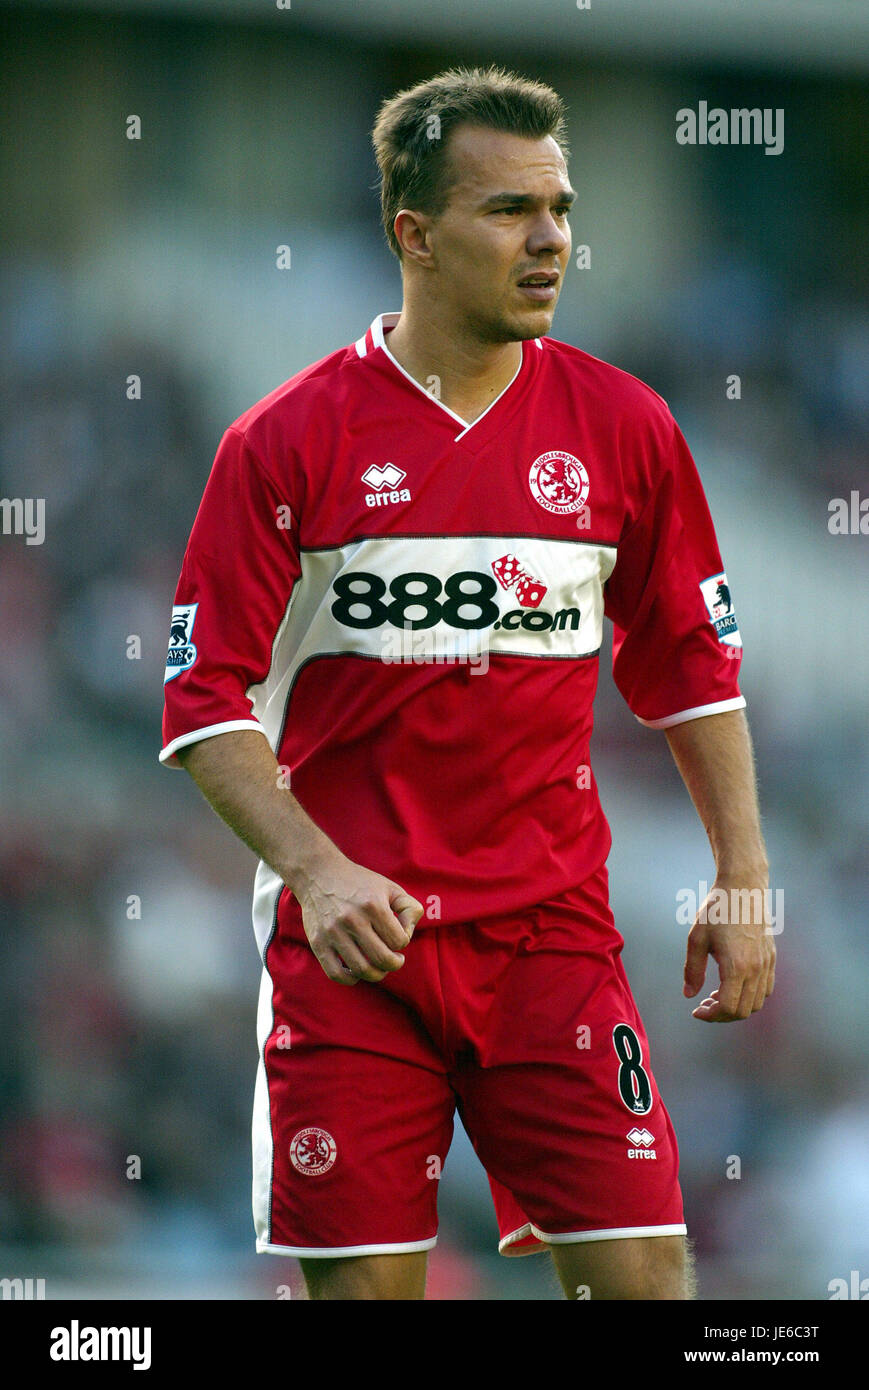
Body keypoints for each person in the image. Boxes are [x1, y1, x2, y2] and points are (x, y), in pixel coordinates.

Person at [160, 65, 774, 1301]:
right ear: (414, 235)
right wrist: (318, 871)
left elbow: (691, 673)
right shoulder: (284, 442)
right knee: (368, 1295)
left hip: (551, 937)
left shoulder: (625, 427)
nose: (549, 239)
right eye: (508, 211)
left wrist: (744, 879)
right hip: (353, 952)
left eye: (559, 208)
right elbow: (201, 704)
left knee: (646, 1280)